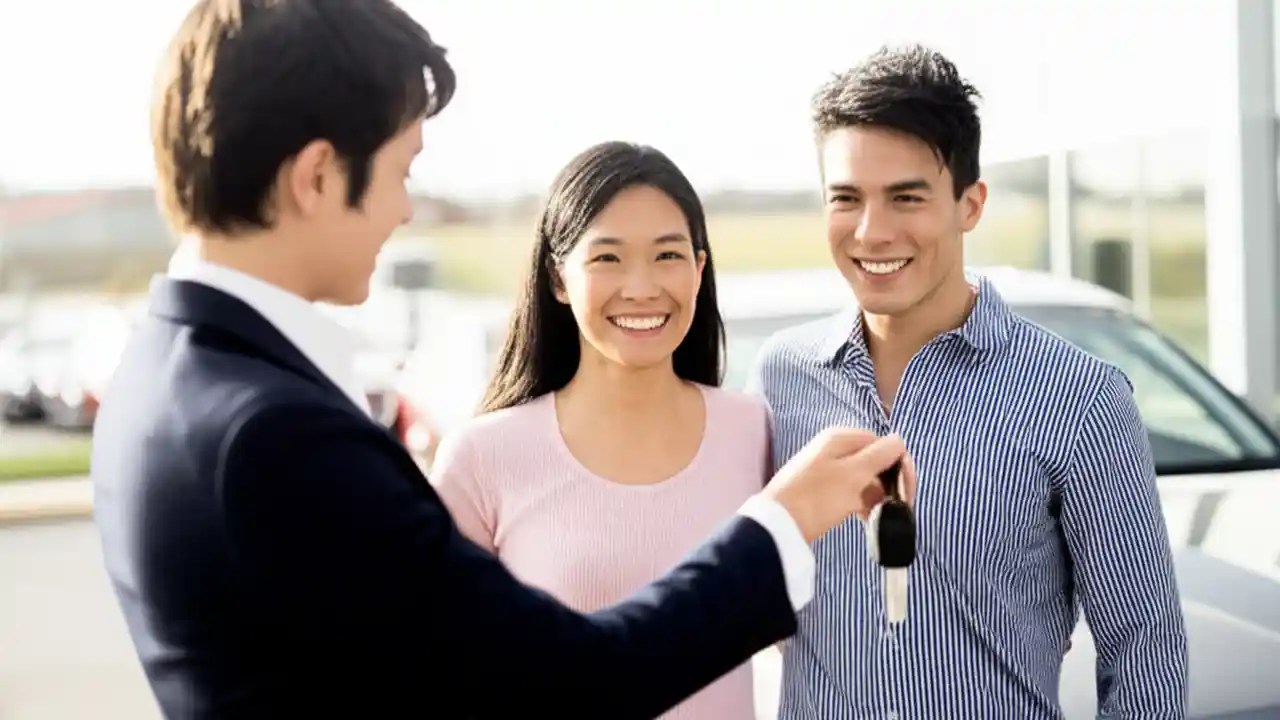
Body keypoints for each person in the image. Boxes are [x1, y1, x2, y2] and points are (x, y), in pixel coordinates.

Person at [89, 2, 913, 718]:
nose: (405, 209)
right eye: (401, 170)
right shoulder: (273, 434)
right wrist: (783, 519)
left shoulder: (160, 383)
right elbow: (564, 683)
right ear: (316, 175)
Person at [747, 45, 1189, 719]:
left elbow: (1145, 654)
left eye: (907, 197)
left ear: (970, 203)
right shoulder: (779, 379)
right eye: (846, 198)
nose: (872, 230)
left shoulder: (1080, 398)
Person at [431, 141, 780, 719]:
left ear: (699, 268)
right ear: (558, 278)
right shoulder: (483, 456)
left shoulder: (755, 431)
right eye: (608, 258)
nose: (641, 287)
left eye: (668, 256)